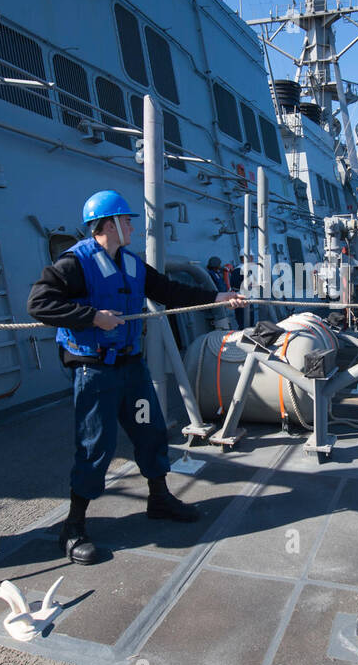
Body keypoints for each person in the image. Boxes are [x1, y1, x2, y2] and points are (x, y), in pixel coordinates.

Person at [27, 190, 246, 565]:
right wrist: (92, 317)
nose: (132, 226)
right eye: (127, 220)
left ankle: (159, 498)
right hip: (94, 370)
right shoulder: (74, 264)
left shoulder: (131, 263)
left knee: (151, 431)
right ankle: (73, 527)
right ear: (109, 224)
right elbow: (38, 303)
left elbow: (169, 291)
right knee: (96, 446)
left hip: (131, 366)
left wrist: (218, 296)